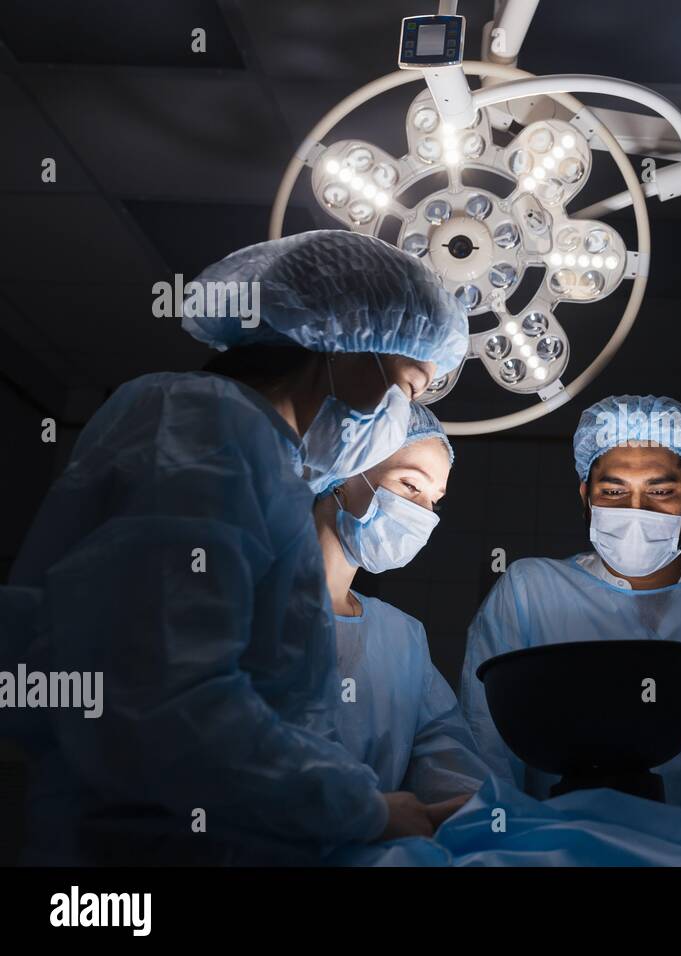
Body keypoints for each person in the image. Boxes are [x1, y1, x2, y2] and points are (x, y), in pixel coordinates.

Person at [2, 230, 470, 864]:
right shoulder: (201, 424)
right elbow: (166, 707)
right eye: (410, 387)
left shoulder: (265, 460)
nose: (399, 412)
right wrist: (365, 810)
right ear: (351, 347)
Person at [459, 394, 681, 843]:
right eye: (613, 492)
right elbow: (486, 755)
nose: (637, 511)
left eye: (661, 491)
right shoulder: (530, 592)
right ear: (584, 494)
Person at [315, 401, 490, 803]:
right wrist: (363, 816)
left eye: (435, 500)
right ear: (342, 468)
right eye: (410, 485)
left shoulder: (402, 637)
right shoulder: (249, 608)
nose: (423, 514)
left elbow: (449, 767)